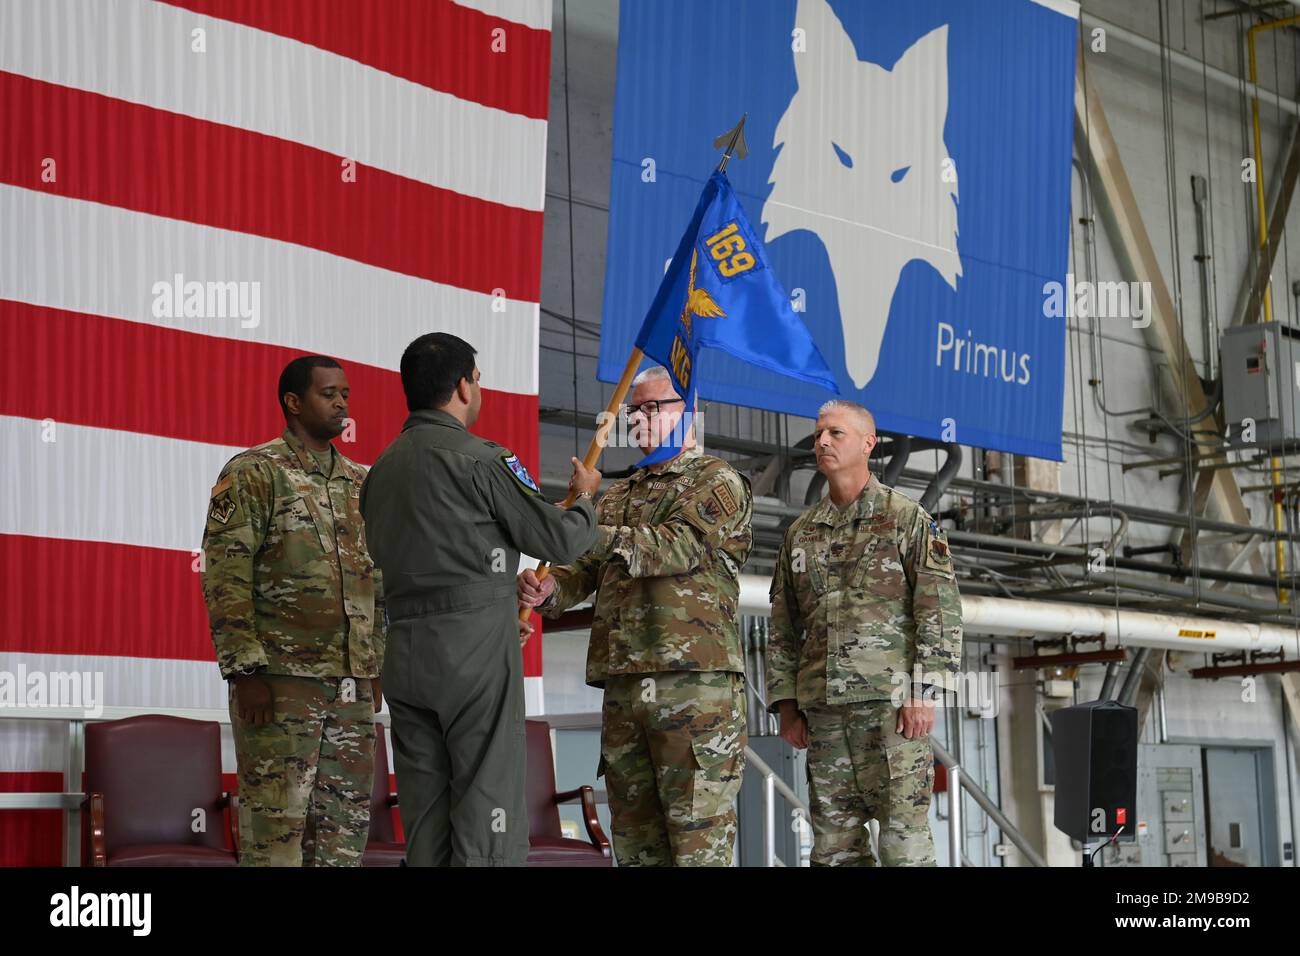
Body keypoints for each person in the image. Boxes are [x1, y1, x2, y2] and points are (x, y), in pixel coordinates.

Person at [360, 332, 599, 866]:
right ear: (465, 385)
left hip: (404, 652)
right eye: (480, 378)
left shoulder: (380, 472)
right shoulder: (481, 459)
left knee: (426, 812)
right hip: (472, 655)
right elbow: (559, 540)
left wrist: (491, 598)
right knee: (487, 805)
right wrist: (584, 498)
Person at [518, 365, 753, 866]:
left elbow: (676, 548)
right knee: (636, 840)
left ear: (688, 411)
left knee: (695, 843)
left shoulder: (718, 480)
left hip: (692, 686)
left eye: (653, 407)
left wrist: (586, 524)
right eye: (634, 410)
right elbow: (584, 568)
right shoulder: (621, 493)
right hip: (626, 683)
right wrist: (550, 586)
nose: (640, 419)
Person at [201, 355, 384, 866]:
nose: (342, 402)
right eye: (330, 393)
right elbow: (225, 573)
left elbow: (379, 582)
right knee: (275, 832)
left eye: (346, 393)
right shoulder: (255, 471)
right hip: (280, 683)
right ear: (294, 402)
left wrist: (375, 664)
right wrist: (244, 670)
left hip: (350, 685)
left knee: (342, 834)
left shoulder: (360, 483)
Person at [766, 399, 963, 866]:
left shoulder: (905, 518)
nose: (822, 442)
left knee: (903, 842)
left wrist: (923, 690)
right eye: (818, 434)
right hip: (825, 713)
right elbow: (783, 626)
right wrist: (787, 704)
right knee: (834, 847)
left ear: (869, 444)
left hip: (891, 708)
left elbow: (939, 608)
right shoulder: (801, 533)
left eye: (836, 433)